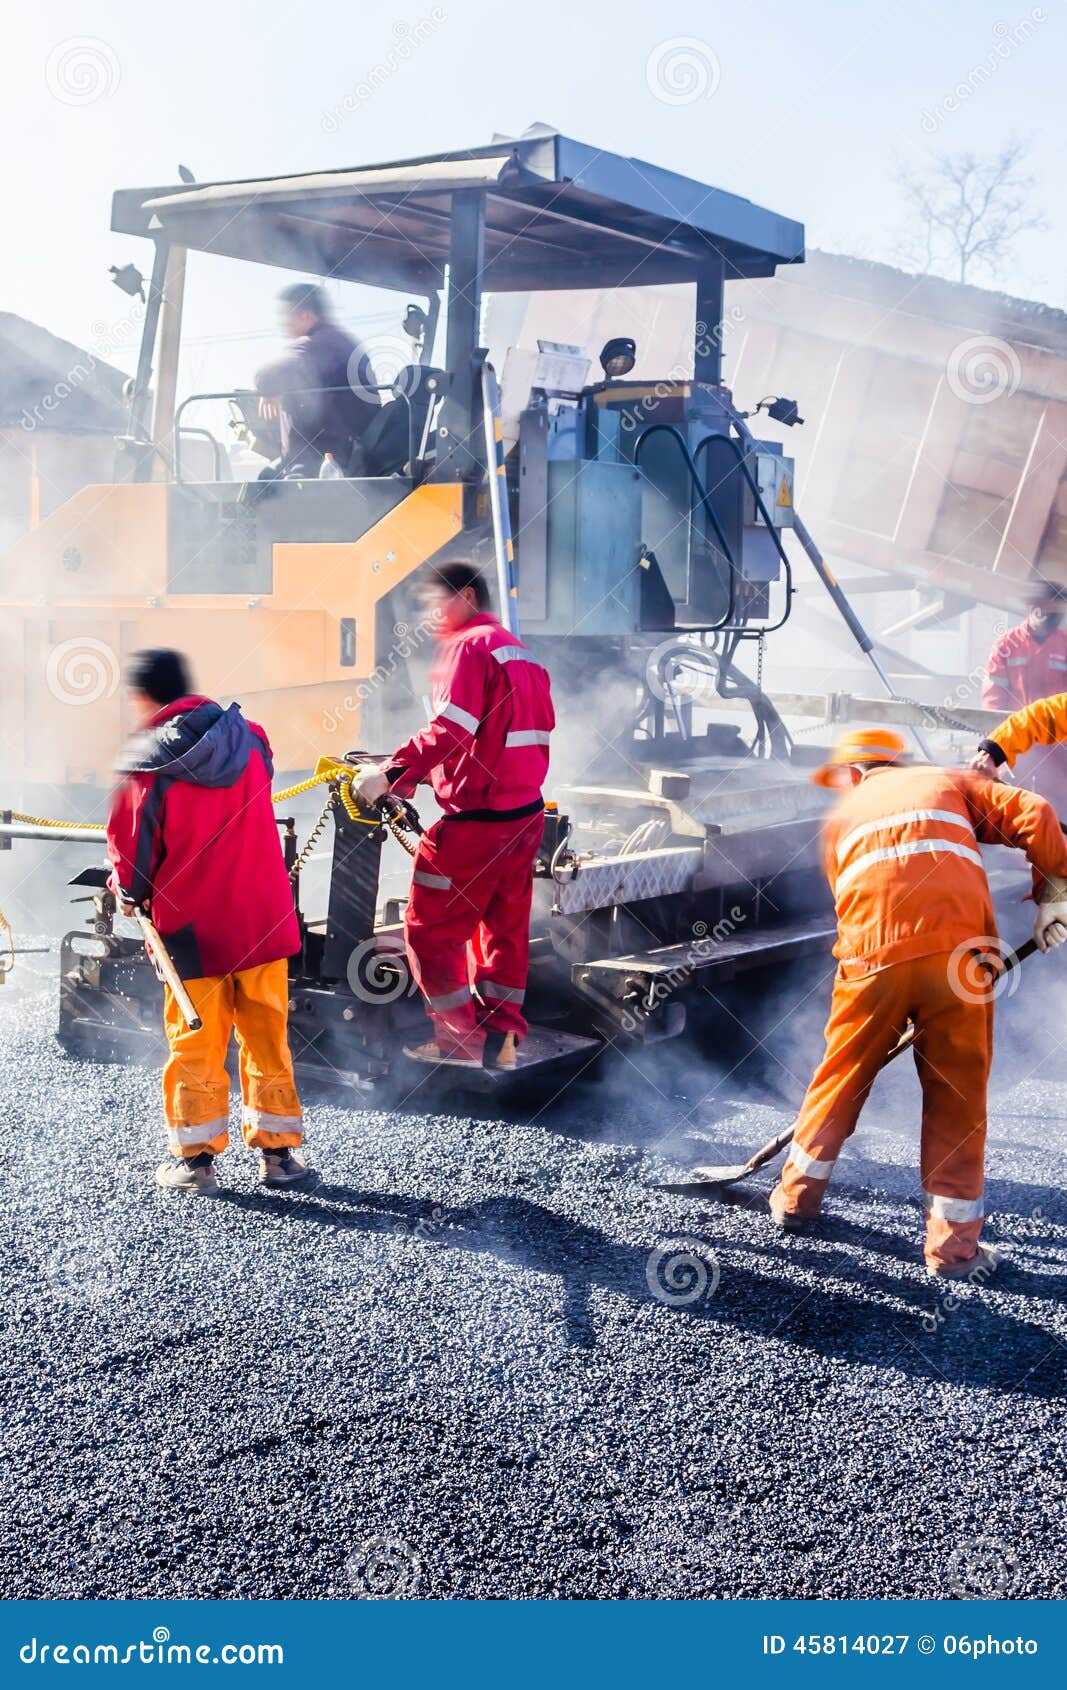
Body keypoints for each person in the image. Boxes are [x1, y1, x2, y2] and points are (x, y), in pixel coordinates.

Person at [768, 728, 1067, 1278]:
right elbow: (1038, 813)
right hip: (959, 962)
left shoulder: (838, 823)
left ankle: (795, 1200)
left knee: (841, 1074)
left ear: (855, 775)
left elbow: (853, 905)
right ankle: (953, 1253)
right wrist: (1055, 895)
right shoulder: (945, 780)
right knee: (957, 1094)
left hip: (870, 960)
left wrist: (892, 985)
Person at [106, 650, 310, 1194]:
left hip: (192, 930)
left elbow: (132, 858)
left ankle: (195, 1164)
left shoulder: (145, 766)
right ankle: (280, 1158)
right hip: (263, 918)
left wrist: (127, 892)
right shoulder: (252, 740)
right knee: (267, 1036)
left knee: (195, 1042)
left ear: (146, 698)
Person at [354, 562, 554, 1069]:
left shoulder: (468, 647)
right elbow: (495, 738)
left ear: (467, 595)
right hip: (523, 816)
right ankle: (502, 1039)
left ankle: (459, 1044)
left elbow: (452, 727)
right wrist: (423, 774)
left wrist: (391, 773)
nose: (429, 615)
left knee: (429, 930)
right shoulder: (519, 651)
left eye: (435, 602)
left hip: (475, 824)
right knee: (502, 932)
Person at [254, 282, 379, 477]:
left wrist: (268, 389)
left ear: (305, 314)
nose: (283, 323)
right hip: (351, 457)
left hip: (321, 463)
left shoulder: (318, 343)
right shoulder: (343, 342)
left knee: (259, 491)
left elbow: (268, 374)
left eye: (286, 315)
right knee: (266, 476)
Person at [980, 580, 1067, 817]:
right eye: (1048, 613)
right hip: (1015, 743)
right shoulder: (1007, 645)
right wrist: (995, 743)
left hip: (1058, 747)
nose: (1053, 620)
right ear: (1032, 609)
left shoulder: (1065, 644)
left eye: (1058, 615)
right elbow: (993, 697)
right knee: (1010, 805)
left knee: (1058, 808)